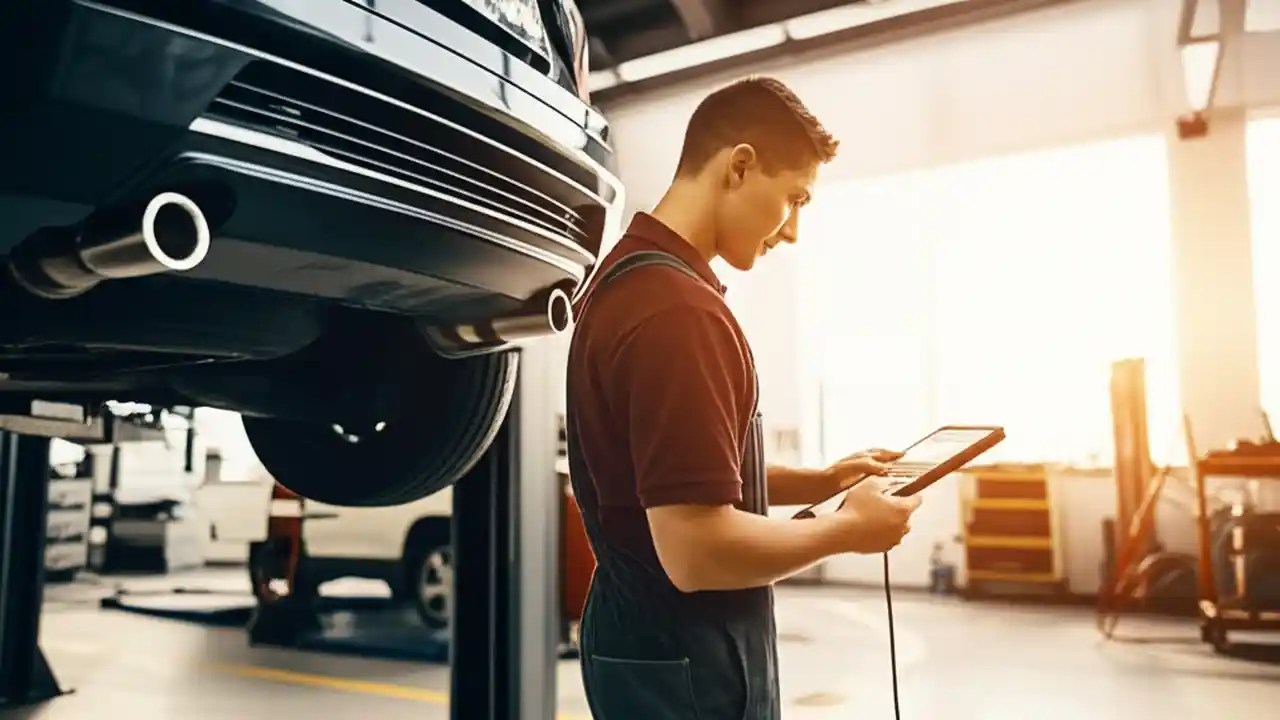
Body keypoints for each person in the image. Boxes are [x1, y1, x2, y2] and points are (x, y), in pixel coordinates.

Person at [565, 76, 922, 720]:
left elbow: (673, 479)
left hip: (651, 647)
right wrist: (848, 530)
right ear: (739, 165)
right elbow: (696, 550)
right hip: (688, 667)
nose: (792, 231)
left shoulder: (630, 280)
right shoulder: (676, 313)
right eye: (795, 198)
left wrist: (822, 479)